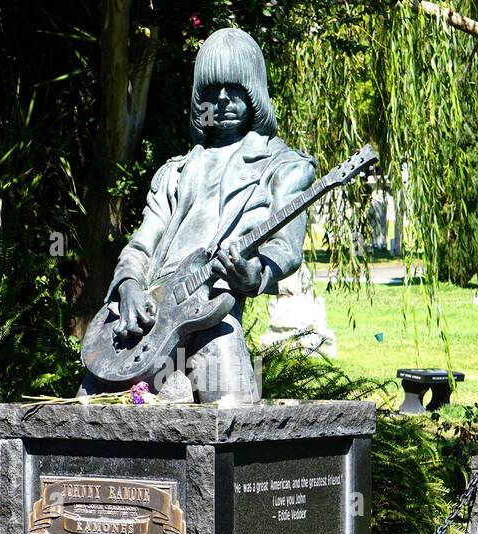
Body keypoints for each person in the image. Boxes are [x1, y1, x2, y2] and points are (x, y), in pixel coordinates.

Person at [78, 28, 314, 403]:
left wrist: (257, 274)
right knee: (86, 412)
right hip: (143, 323)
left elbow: (285, 248)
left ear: (255, 93)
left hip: (211, 318)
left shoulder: (284, 167)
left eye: (234, 87)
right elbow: (140, 244)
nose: (221, 98)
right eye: (211, 88)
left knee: (232, 420)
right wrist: (128, 288)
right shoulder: (174, 172)